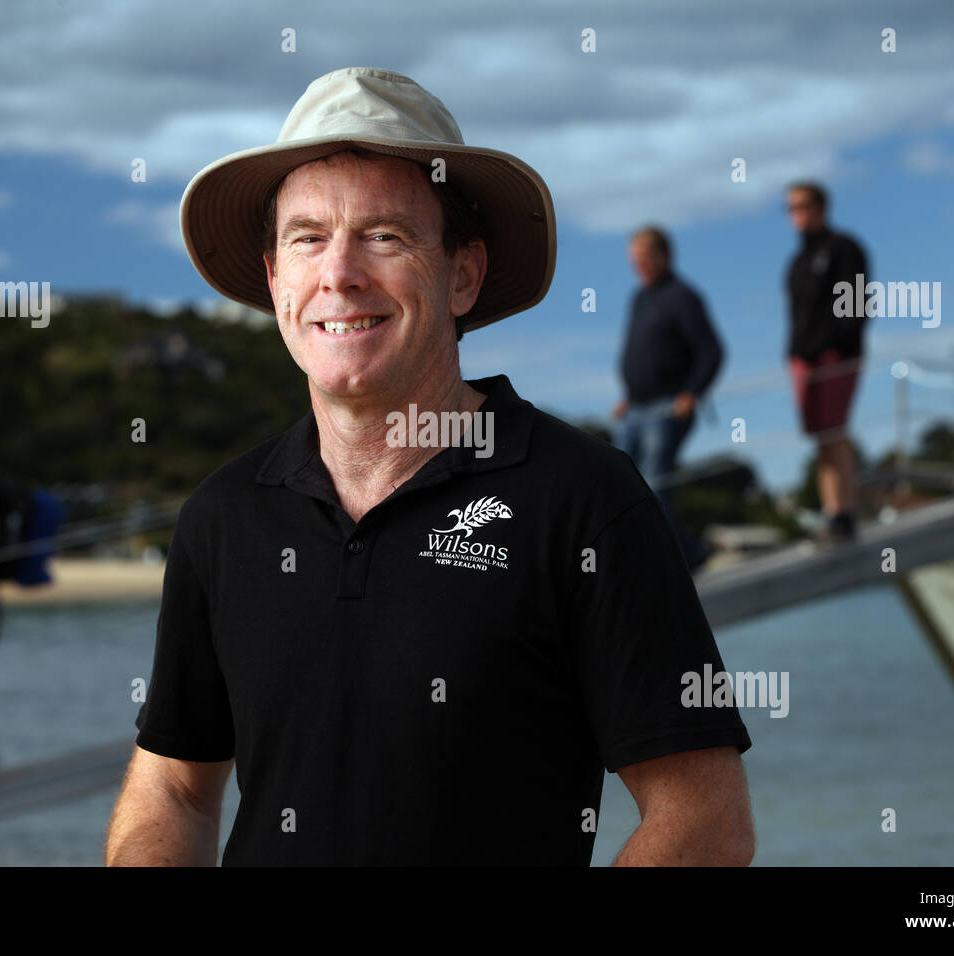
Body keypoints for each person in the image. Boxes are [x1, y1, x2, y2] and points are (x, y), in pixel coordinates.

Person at [107, 67, 753, 867]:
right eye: (307, 237)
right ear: (276, 280)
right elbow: (174, 787)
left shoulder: (584, 497)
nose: (338, 273)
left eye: (384, 235)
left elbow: (706, 821)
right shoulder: (224, 514)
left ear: (464, 275)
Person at [612, 225, 723, 570]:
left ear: (664, 256)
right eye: (635, 260)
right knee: (619, 484)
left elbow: (711, 351)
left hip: (667, 408)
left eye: (645, 258)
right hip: (636, 409)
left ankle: (685, 557)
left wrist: (692, 393)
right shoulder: (640, 298)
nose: (639, 265)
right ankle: (652, 558)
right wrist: (628, 396)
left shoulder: (682, 296)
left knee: (655, 486)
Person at [784, 181, 870, 543]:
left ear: (820, 207)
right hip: (803, 360)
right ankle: (831, 513)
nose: (797, 214)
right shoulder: (797, 262)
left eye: (803, 206)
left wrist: (839, 347)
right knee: (820, 439)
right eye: (791, 208)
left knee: (835, 433)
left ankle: (844, 514)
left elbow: (856, 302)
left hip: (835, 358)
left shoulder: (843, 248)